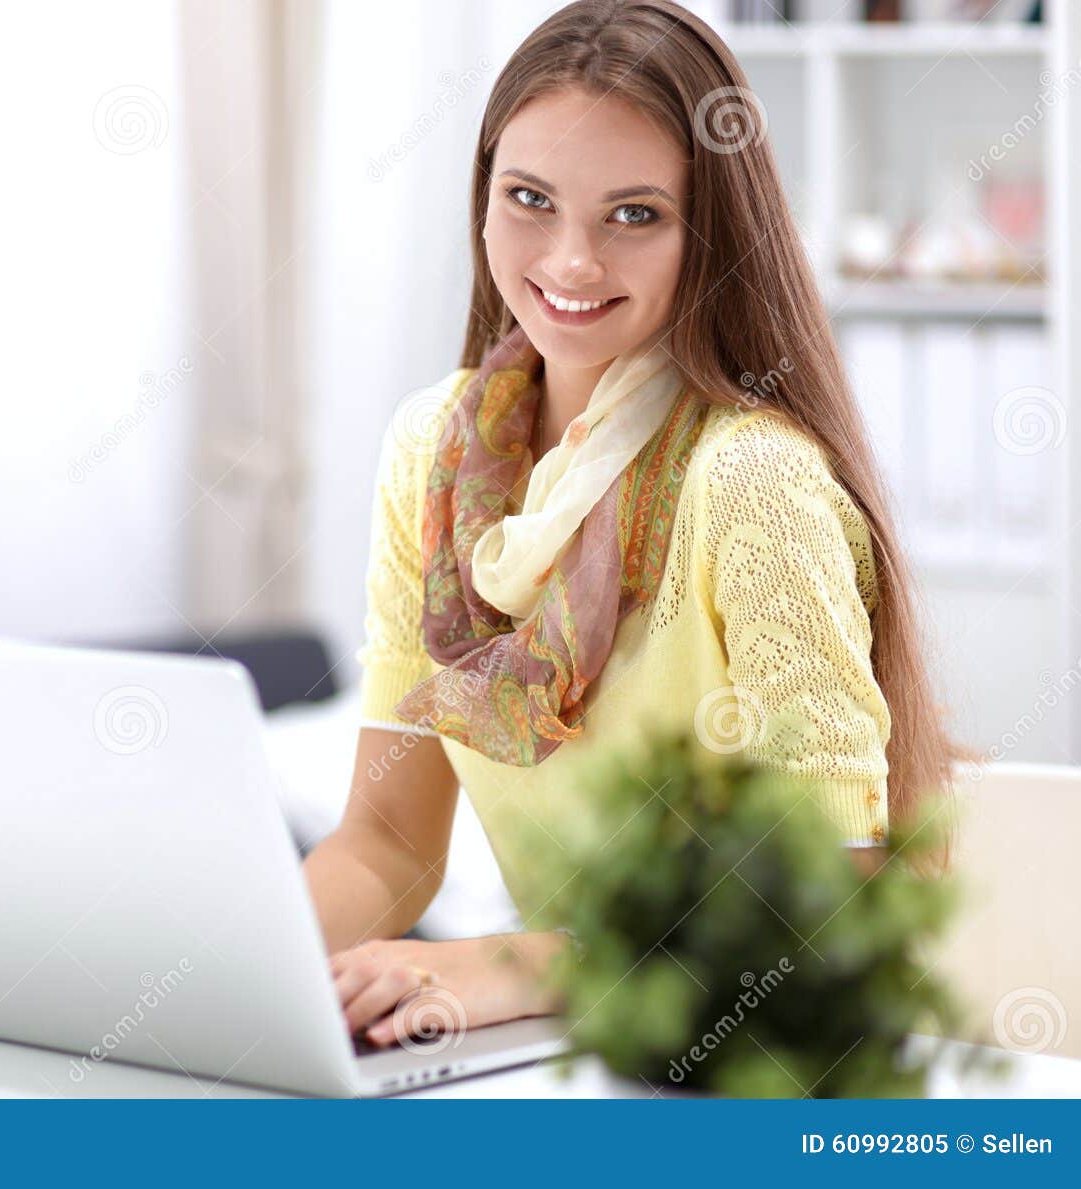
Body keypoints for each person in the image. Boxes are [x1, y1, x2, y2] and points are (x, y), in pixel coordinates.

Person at [303, 0, 970, 1052]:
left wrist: (517, 961)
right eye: (529, 199)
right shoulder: (432, 453)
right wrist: (243, 976)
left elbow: (829, 897)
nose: (569, 262)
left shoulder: (748, 482)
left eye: (633, 214)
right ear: (482, 198)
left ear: (710, 233)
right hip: (587, 1048)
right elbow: (388, 839)